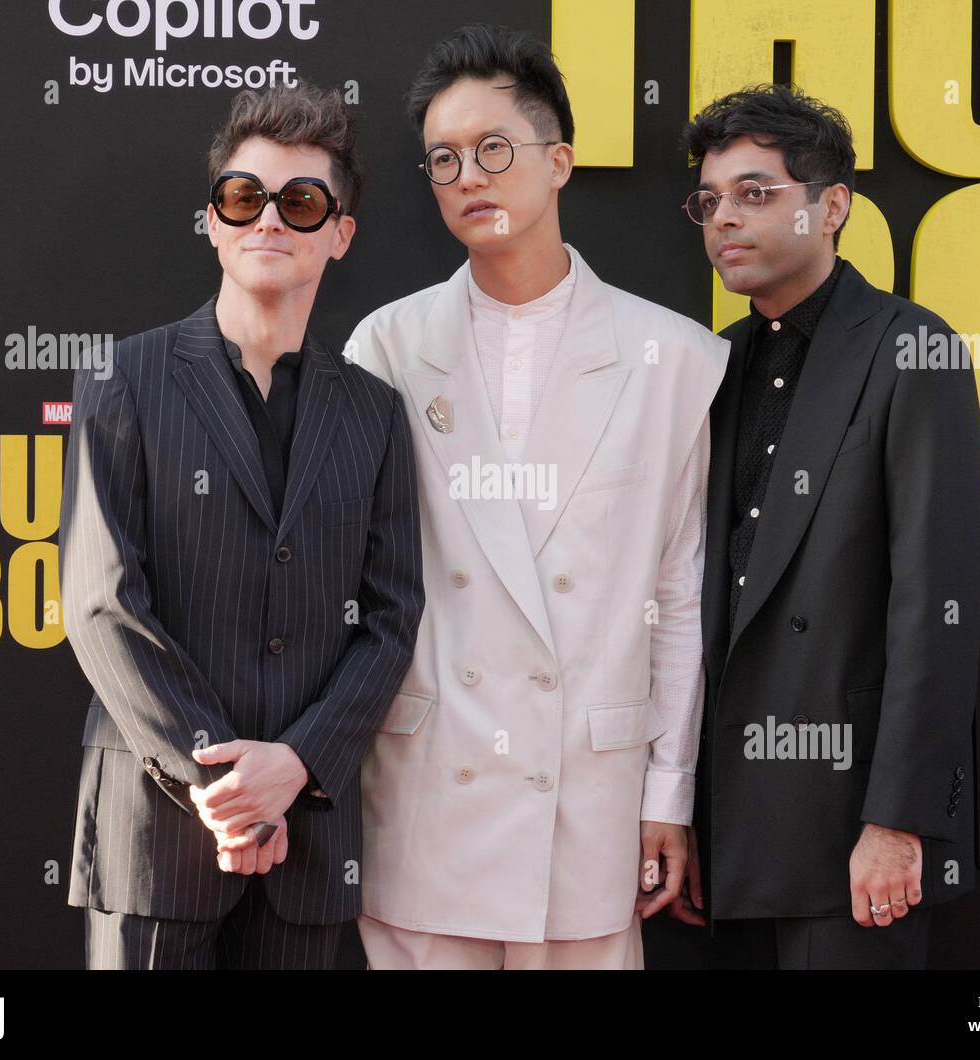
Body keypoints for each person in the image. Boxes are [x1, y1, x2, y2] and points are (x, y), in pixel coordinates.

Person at [347, 24, 728, 970]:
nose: (468, 176)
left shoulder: (672, 360)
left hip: (587, 806)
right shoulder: (384, 351)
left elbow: (677, 597)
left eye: (492, 150)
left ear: (558, 161)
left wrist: (666, 796)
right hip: (429, 796)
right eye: (443, 159)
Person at [59, 82, 424, 969]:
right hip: (155, 829)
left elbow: (390, 619)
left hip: (308, 836)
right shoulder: (125, 380)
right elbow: (102, 605)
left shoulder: (375, 412)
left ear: (340, 233)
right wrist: (224, 787)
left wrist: (295, 764)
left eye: (300, 202)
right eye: (242, 197)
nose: (269, 221)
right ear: (214, 222)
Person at [671, 83, 980, 969]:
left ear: (832, 206)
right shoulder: (713, 366)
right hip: (727, 842)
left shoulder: (913, 350)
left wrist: (899, 821)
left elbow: (936, 609)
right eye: (710, 200)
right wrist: (689, 816)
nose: (724, 218)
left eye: (755, 193)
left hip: (855, 837)